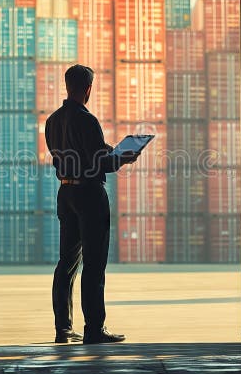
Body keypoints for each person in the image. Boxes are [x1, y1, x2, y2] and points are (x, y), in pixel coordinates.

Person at [44, 64, 140, 344]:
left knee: (66, 264)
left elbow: (76, 153)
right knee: (95, 264)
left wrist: (107, 150)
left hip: (66, 193)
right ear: (88, 89)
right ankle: (94, 329)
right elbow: (101, 162)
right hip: (89, 196)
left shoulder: (52, 120)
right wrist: (123, 157)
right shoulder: (87, 120)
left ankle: (63, 328)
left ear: (67, 85)